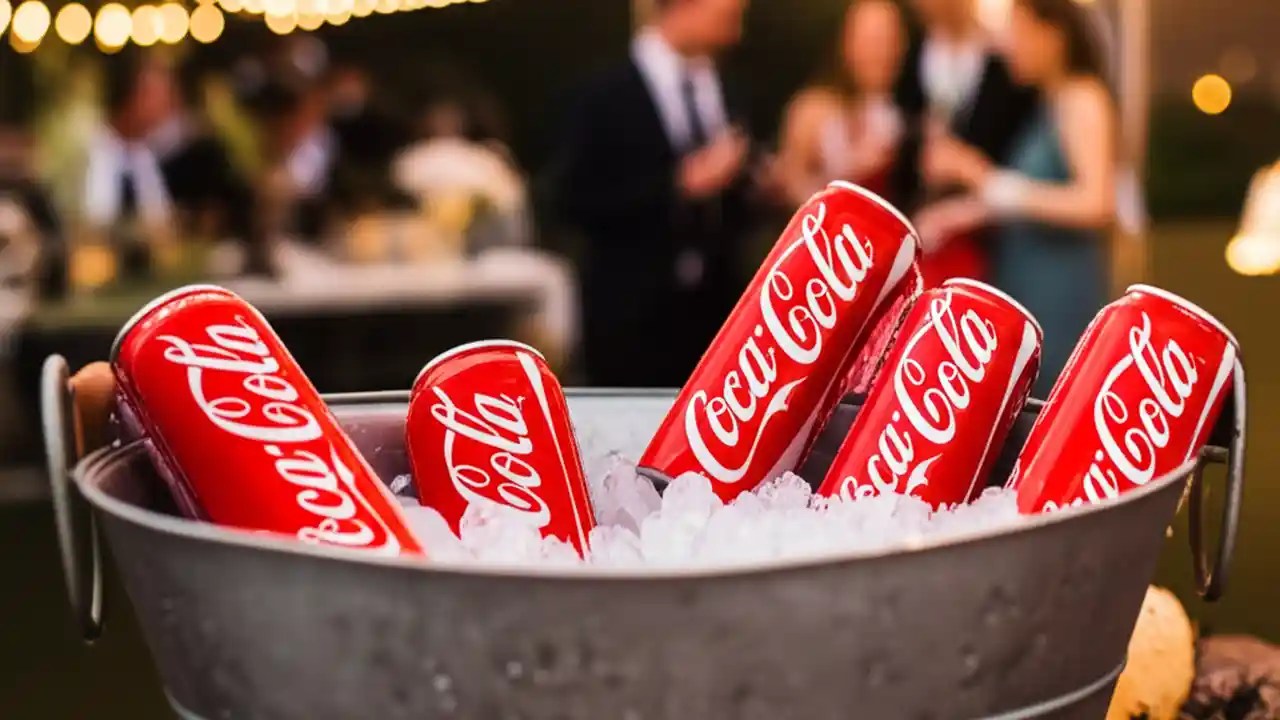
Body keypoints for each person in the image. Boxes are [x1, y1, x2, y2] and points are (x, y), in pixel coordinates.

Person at [919, 0, 1115, 396]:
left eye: (1018, 31)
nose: (1009, 45)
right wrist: (960, 213)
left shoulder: (1082, 98)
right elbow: (1028, 196)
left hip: (1057, 299)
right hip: (1026, 292)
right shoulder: (1049, 104)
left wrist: (981, 177)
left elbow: (1097, 202)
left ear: (1052, 35)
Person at [556, 0, 755, 388]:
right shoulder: (602, 94)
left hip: (717, 325)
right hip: (630, 324)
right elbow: (571, 199)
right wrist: (677, 186)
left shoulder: (730, 89)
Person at [894, 0, 1038, 287]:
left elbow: (1019, 157)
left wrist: (969, 170)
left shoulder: (1005, 63)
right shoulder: (907, 52)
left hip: (985, 244)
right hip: (913, 232)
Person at [775, 0, 907, 208]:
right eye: (872, 42)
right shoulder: (811, 109)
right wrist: (849, 174)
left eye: (890, 42)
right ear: (847, 42)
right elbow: (790, 180)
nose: (882, 53)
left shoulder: (903, 115)